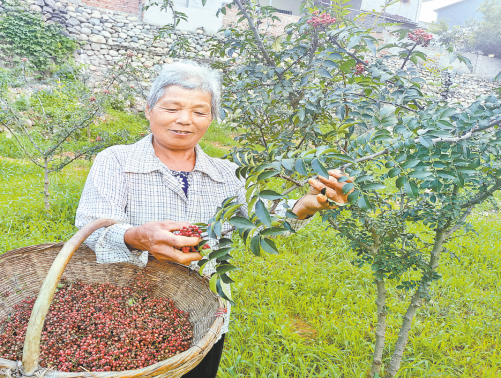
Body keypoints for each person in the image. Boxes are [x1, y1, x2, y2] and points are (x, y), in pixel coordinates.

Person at [75, 61, 353, 377]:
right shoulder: (116, 161)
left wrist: (308, 203)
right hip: (128, 308)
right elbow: (92, 227)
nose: (184, 120)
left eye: (199, 111)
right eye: (172, 108)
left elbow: (262, 221)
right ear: (149, 110)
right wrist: (137, 237)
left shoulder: (227, 174)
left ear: (211, 119)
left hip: (205, 315)